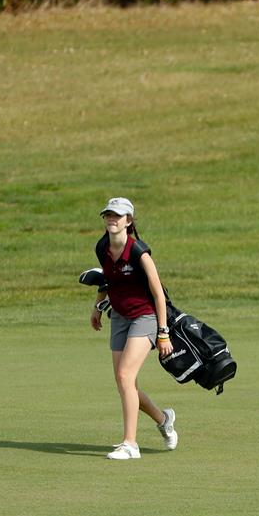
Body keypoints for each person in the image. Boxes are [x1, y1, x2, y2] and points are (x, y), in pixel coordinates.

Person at [90, 196, 178, 460]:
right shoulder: (102, 247)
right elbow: (107, 279)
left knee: (125, 376)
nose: (112, 219)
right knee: (125, 383)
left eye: (117, 215)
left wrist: (163, 333)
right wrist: (98, 306)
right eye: (108, 215)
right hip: (119, 317)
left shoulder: (139, 252)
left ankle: (130, 444)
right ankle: (163, 419)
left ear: (128, 220)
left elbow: (159, 294)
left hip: (145, 317)